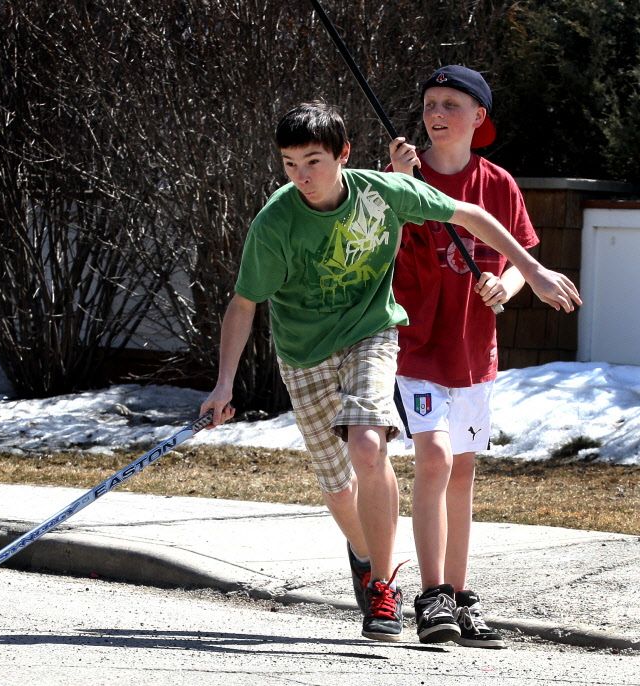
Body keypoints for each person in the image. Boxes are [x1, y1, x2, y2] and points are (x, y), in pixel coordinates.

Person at [200, 101, 580, 643]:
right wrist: (223, 383)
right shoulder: (276, 221)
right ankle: (363, 552)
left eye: (312, 161)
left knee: (369, 448)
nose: (302, 176)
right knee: (336, 486)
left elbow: (469, 215)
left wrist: (532, 269)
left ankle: (382, 585)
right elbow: (243, 304)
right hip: (303, 353)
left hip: (370, 334)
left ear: (344, 155)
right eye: (289, 164)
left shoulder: (382, 194)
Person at [387, 65, 577, 648]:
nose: (435, 114)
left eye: (449, 104)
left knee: (464, 472)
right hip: (417, 348)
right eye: (429, 104)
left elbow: (517, 263)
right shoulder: (401, 177)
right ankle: (431, 596)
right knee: (436, 460)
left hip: (474, 353)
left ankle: (460, 598)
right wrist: (398, 185)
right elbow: (382, 251)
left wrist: (508, 287)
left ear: (478, 118)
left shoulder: (498, 184)